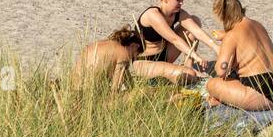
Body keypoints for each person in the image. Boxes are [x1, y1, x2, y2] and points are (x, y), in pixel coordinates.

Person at [204, 0, 273, 111]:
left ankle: (268, 104)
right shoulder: (258, 24)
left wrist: (224, 44)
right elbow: (247, 40)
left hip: (261, 90)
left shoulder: (231, 36)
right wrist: (226, 36)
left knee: (212, 85)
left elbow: (221, 71)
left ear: (222, 15)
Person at [134, 0, 219, 69]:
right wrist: (196, 57)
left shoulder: (178, 13)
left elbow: (197, 32)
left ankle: (188, 66)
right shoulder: (153, 14)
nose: (182, 3)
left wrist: (216, 48)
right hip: (145, 61)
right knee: (183, 74)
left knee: (195, 20)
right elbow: (175, 40)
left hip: (165, 55)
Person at [73, 25, 201, 88]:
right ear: (134, 46)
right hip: (87, 90)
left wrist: (133, 87)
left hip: (75, 85)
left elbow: (126, 77)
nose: (134, 58)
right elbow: (115, 89)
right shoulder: (123, 54)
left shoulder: (105, 44)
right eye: (137, 54)